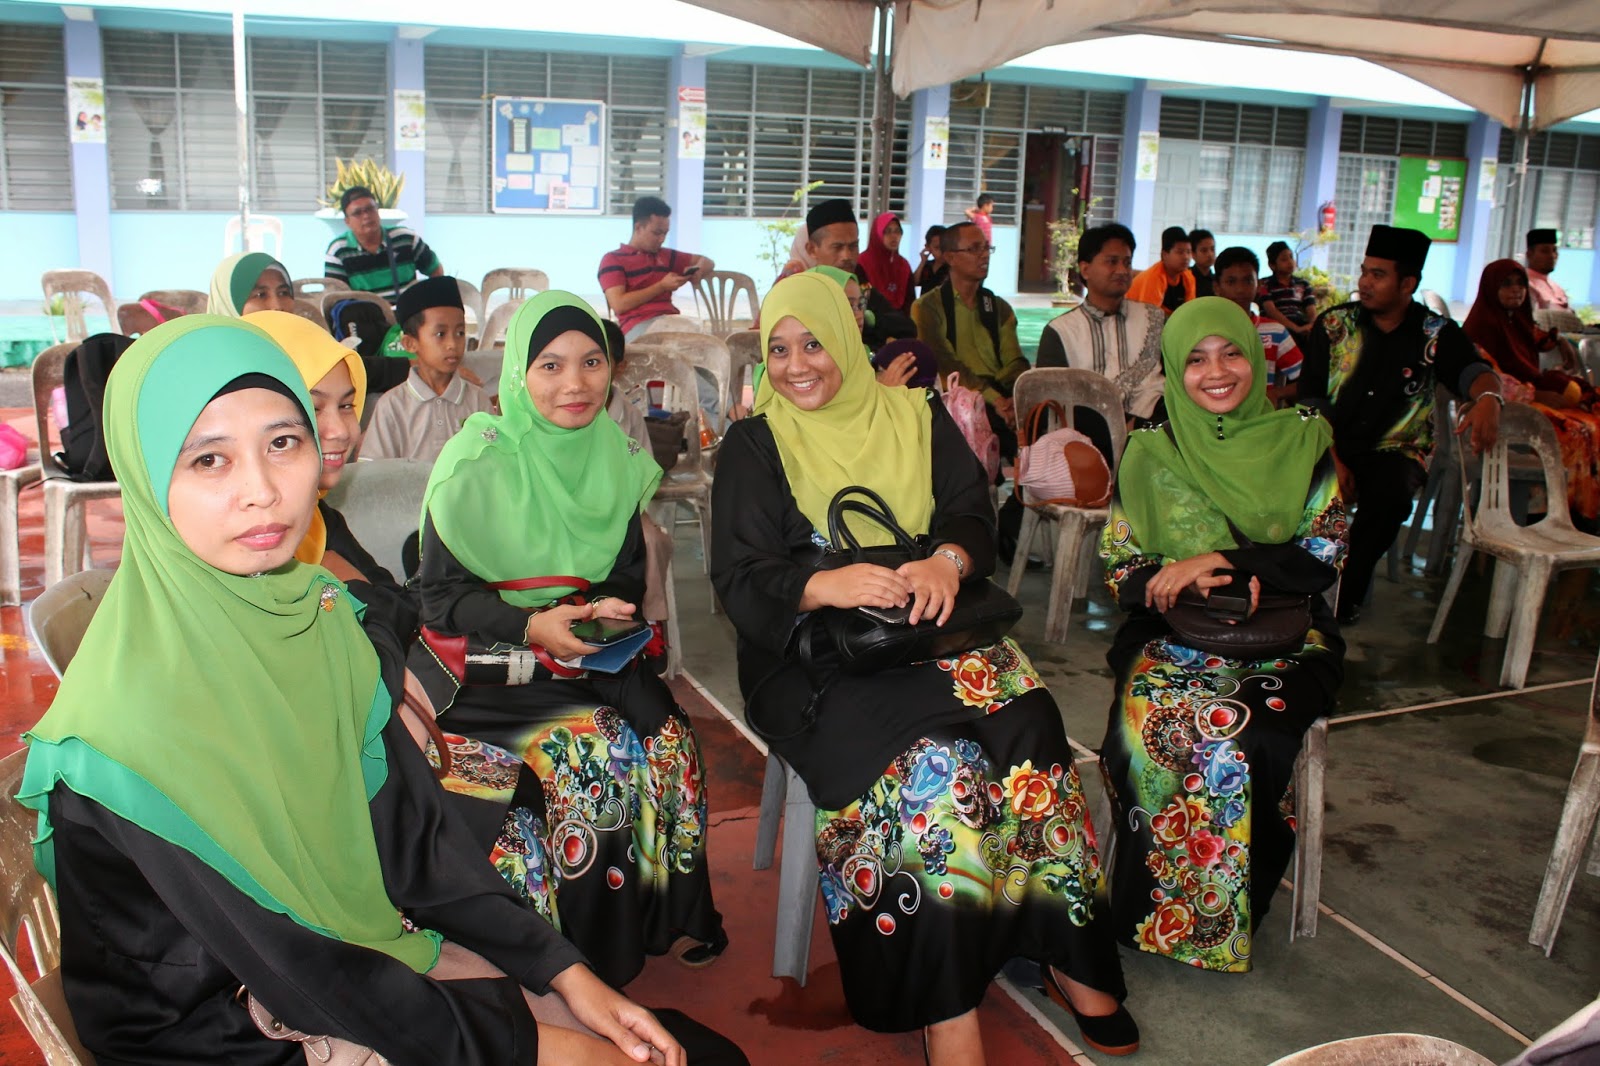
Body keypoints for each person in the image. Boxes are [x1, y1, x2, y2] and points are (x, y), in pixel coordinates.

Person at [17, 314, 692, 1066]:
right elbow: (300, 974)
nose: (263, 492)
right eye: (208, 460)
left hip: (347, 953)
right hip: (229, 1031)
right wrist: (532, 1040)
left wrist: (563, 972)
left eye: (283, 442)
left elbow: (418, 842)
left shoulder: (316, 617)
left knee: (665, 1046)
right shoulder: (124, 735)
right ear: (143, 477)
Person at [710, 272, 1137, 1062]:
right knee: (937, 760)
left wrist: (946, 560)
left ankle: (1060, 949)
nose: (798, 364)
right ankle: (946, 1005)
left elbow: (970, 508)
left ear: (846, 339)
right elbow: (739, 577)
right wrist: (817, 585)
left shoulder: (913, 412)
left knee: (1030, 721)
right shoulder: (754, 442)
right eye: (778, 349)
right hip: (814, 661)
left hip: (929, 629)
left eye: (813, 343)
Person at [411, 291, 727, 987]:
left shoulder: (610, 454)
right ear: (518, 373)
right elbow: (438, 601)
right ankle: (591, 958)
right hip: (496, 664)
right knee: (593, 753)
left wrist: (597, 614)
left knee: (669, 740)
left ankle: (665, 916)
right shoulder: (474, 466)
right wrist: (533, 623)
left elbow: (618, 575)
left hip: (583, 647)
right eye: (549, 365)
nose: (574, 383)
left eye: (590, 363)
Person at [1099, 296, 1347, 972]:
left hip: (1288, 638)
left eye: (1231, 352)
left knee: (1247, 732)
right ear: (1174, 371)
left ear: (1255, 356)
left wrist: (1223, 560)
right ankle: (1150, 910)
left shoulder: (1302, 437)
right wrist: (1169, 576)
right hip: (1173, 631)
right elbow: (1120, 570)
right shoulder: (1149, 451)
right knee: (1161, 716)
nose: (1216, 372)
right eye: (1196, 359)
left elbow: (1321, 557)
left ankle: (1217, 919)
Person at [1298, 225, 1503, 624]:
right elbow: (1310, 404)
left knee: (1390, 498)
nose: (1364, 282)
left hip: (1396, 451)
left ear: (1407, 282)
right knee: (1294, 490)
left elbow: (1474, 371)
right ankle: (1296, 590)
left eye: (1378, 275)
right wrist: (1332, 459)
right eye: (1364, 271)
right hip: (1329, 443)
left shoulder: (1435, 334)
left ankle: (1339, 604)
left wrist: (1489, 399)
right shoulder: (1334, 326)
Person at [1462, 258, 1600, 522]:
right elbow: (1491, 381)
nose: (1516, 290)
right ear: (1491, 289)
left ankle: (1586, 515)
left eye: (1520, 284)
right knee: (1574, 432)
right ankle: (1549, 515)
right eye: (1506, 285)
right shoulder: (1481, 327)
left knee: (1594, 423)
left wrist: (1559, 341)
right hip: (1502, 411)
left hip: (1526, 403)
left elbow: (1539, 339)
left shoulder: (1516, 321)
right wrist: (1537, 395)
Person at [1036, 223, 1166, 456]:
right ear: (1085, 270)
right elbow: (1051, 404)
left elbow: (1174, 378)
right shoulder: (1061, 331)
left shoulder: (1153, 318)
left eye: (1127, 262)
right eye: (1112, 261)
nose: (1123, 270)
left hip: (1152, 432)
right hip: (1088, 444)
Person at [911, 220, 1028, 457]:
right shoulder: (927, 307)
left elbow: (1015, 361)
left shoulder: (998, 307)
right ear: (950, 257)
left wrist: (1010, 401)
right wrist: (994, 400)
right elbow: (943, 363)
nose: (984, 255)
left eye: (986, 248)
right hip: (957, 400)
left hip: (999, 397)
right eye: (974, 249)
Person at [363, 276, 496, 463]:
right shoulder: (392, 406)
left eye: (460, 333)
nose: (452, 344)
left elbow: (494, 461)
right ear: (410, 343)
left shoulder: (477, 400)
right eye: (440, 334)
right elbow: (374, 475)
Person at [598, 195, 714, 340]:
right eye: (657, 233)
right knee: (683, 344)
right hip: (636, 325)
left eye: (665, 233)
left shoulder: (665, 255)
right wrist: (661, 286)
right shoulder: (613, 260)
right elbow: (619, 304)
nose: (662, 239)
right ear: (638, 227)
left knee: (706, 344)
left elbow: (707, 261)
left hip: (669, 320)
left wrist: (698, 270)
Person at [324, 185, 443, 303]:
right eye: (358, 213)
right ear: (347, 221)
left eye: (370, 209)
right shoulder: (338, 251)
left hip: (408, 317)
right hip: (365, 318)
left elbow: (435, 269)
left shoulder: (405, 239)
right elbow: (334, 298)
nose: (366, 216)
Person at [1214, 246, 1301, 405]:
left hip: (1260, 420)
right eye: (1231, 281)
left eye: (1248, 281)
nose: (1240, 290)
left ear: (1259, 285)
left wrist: (1277, 393)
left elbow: (1306, 381)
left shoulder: (1275, 332)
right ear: (1217, 287)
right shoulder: (1205, 332)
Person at [1125, 226, 1195, 314]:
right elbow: (1150, 317)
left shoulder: (1188, 277)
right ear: (1164, 254)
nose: (1186, 257)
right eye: (1180, 252)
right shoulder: (1154, 277)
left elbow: (1189, 311)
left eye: (1189, 252)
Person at [858, 211, 915, 315]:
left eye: (897, 231)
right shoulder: (862, 263)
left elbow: (910, 303)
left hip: (900, 325)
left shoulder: (904, 265)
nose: (893, 236)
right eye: (887, 231)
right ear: (877, 234)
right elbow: (861, 302)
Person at [1256, 241, 1316, 340]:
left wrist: (1312, 326)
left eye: (1291, 257)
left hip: (1300, 326)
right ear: (1272, 265)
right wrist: (1296, 329)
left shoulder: (1303, 284)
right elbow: (1271, 311)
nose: (1290, 262)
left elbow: (1311, 310)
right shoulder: (1264, 284)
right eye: (1284, 259)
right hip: (1274, 328)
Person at [207, 251, 294, 316]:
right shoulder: (205, 340)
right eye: (260, 295)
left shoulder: (302, 339)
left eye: (283, 293)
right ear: (227, 302)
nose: (277, 306)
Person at [1525, 228, 1572, 311]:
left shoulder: (1556, 287)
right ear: (1529, 254)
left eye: (1554, 250)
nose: (1552, 256)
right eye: (1545, 251)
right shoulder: (1526, 284)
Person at [913, 224, 950, 296]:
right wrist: (922, 261)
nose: (942, 251)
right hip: (925, 305)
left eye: (944, 246)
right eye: (937, 248)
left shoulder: (951, 267)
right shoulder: (927, 265)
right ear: (928, 247)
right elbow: (914, 282)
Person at [1189, 228, 1217, 298]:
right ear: (1193, 254)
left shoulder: (1217, 280)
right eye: (1204, 250)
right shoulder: (1186, 277)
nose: (1210, 254)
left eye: (1212, 249)